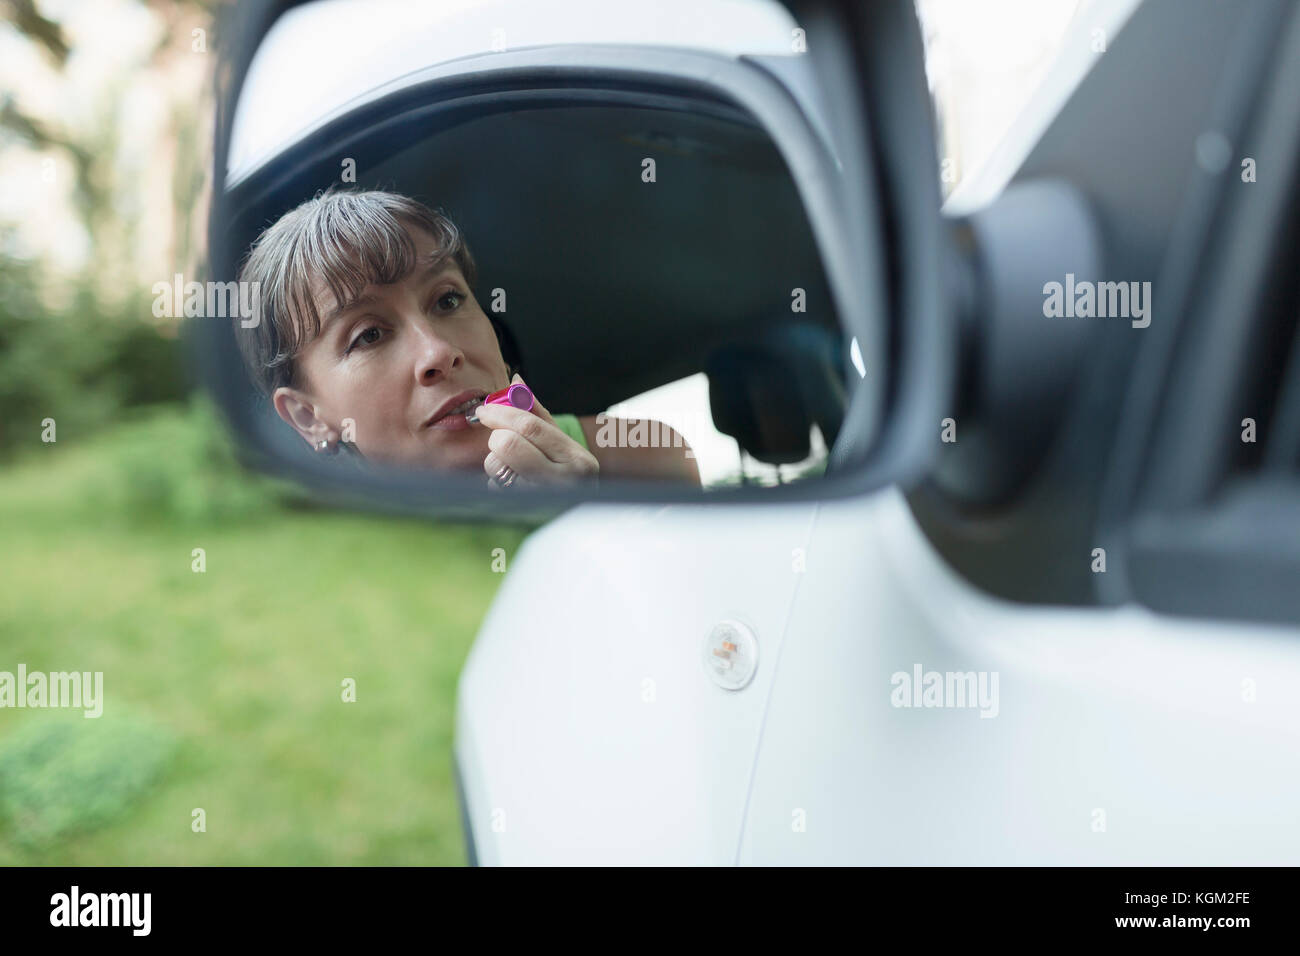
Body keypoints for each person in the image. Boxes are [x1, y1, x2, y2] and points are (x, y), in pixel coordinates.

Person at [234, 189, 699, 488]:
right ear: (308, 416)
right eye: (369, 334)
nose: (438, 352)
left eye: (447, 301)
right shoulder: (328, 563)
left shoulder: (647, 458)